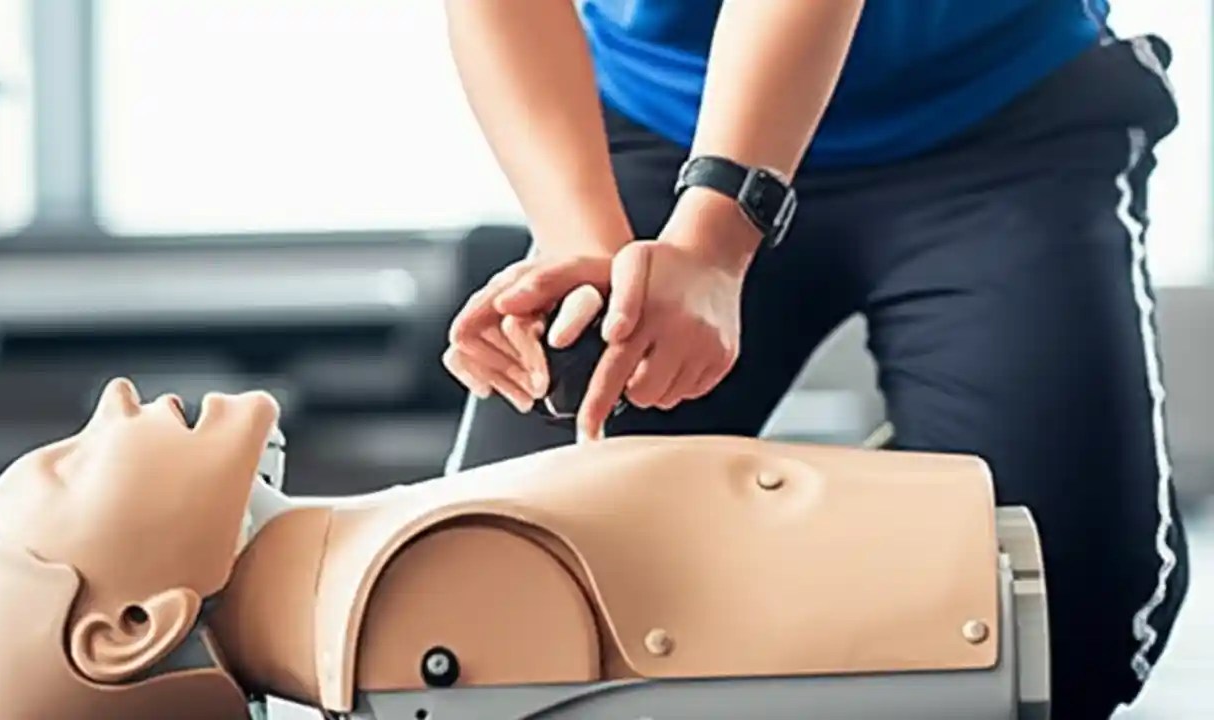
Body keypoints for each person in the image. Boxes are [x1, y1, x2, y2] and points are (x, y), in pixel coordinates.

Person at [438, 1, 1188, 717]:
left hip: (997, 116)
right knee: (492, 620)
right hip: (666, 118)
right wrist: (584, 241)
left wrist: (714, 240)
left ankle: (926, 452)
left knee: (1064, 634)